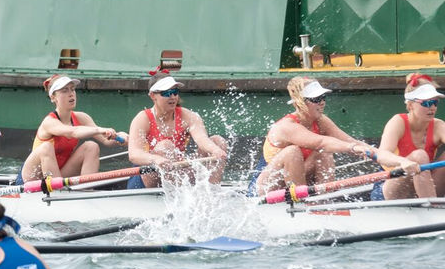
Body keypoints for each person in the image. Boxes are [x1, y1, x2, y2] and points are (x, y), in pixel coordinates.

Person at [252, 77, 418, 196]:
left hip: (295, 181)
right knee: (294, 152)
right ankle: (300, 205)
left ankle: (324, 202)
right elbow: (322, 142)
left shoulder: (321, 121)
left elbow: (355, 143)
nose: (322, 102)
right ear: (299, 103)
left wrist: (401, 161)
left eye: (323, 97)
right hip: (266, 188)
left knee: (324, 154)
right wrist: (353, 148)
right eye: (316, 99)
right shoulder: (287, 127)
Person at [127, 73, 228, 189]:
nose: (172, 97)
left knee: (218, 141)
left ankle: (211, 192)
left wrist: (215, 150)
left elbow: (202, 139)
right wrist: (156, 159)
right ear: (152, 96)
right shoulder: (142, 119)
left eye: (175, 92)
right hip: (147, 176)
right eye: (166, 93)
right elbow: (134, 154)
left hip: (177, 171)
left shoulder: (188, 116)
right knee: (165, 146)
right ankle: (180, 198)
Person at [20, 74, 124, 182]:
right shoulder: (49, 122)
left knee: (91, 146)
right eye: (64, 91)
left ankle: (86, 191)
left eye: (72, 89)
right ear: (53, 97)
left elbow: (106, 141)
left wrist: (123, 138)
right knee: (46, 147)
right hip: (33, 179)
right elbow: (73, 132)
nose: (71, 94)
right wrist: (99, 130)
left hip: (58, 174)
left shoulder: (81, 117)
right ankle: (57, 192)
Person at [372, 74, 445, 200]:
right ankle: (433, 208)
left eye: (435, 102)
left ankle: (431, 204)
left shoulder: (439, 126)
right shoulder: (397, 122)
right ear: (410, 105)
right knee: (419, 156)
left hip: (424, 186)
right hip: (389, 186)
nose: (432, 107)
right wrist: (403, 162)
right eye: (426, 103)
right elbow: (382, 155)